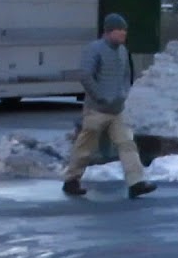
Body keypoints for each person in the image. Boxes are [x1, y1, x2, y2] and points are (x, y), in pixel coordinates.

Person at [62, 13, 158, 200]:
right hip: (96, 110)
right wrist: (100, 97)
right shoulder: (94, 50)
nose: (123, 33)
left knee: (127, 144)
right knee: (85, 147)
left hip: (118, 110)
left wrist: (124, 95)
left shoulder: (122, 51)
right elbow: (85, 75)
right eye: (119, 30)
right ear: (108, 31)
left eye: (124, 30)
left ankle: (136, 183)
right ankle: (71, 180)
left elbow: (126, 75)